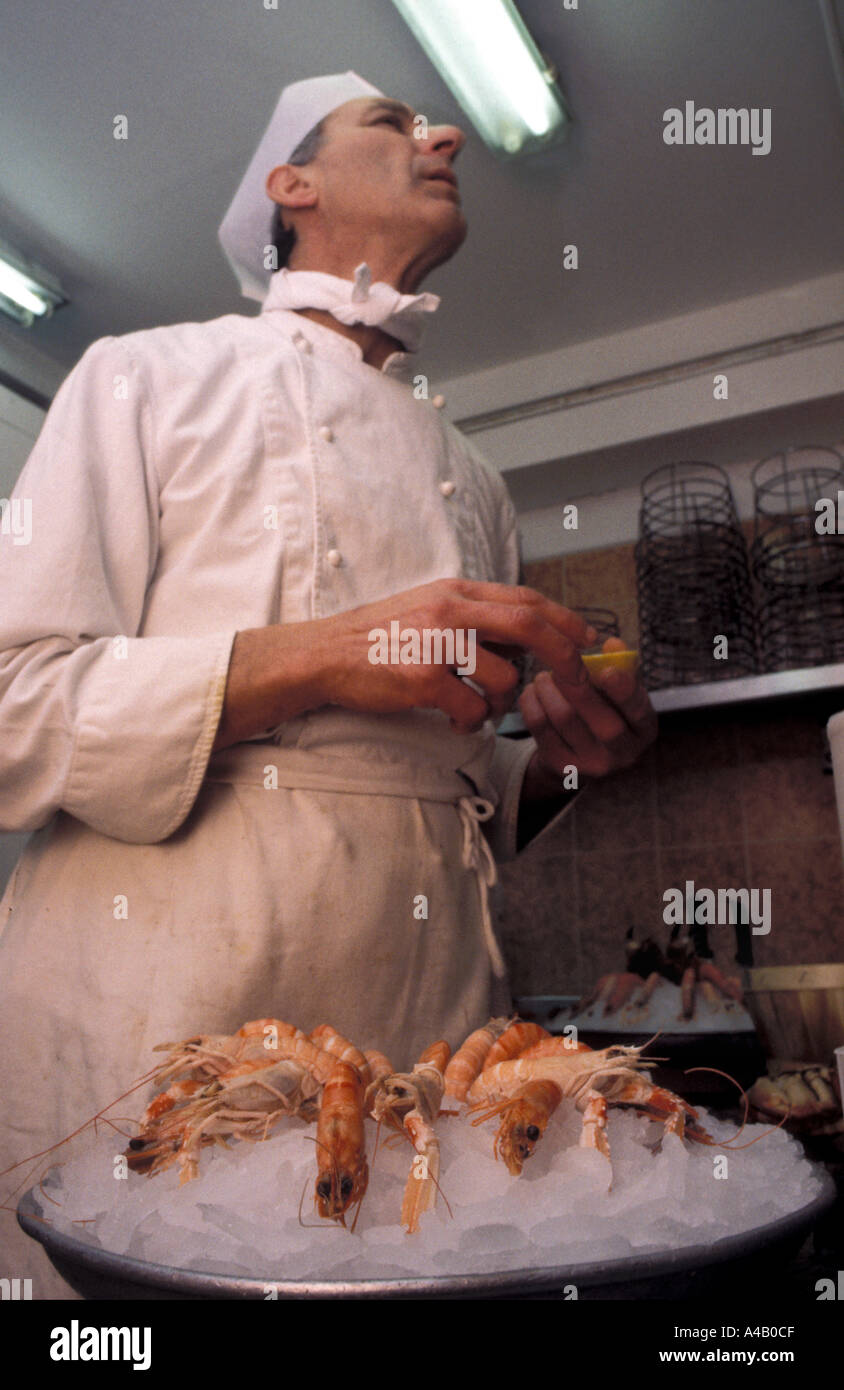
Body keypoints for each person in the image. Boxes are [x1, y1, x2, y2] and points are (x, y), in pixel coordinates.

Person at [0, 72, 656, 1296]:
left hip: (429, 1011)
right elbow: (11, 707)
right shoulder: (142, 378)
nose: (442, 133)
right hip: (168, 993)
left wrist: (565, 759)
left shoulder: (478, 478)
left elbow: (445, 789)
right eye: (393, 122)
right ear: (288, 188)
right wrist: (323, 650)